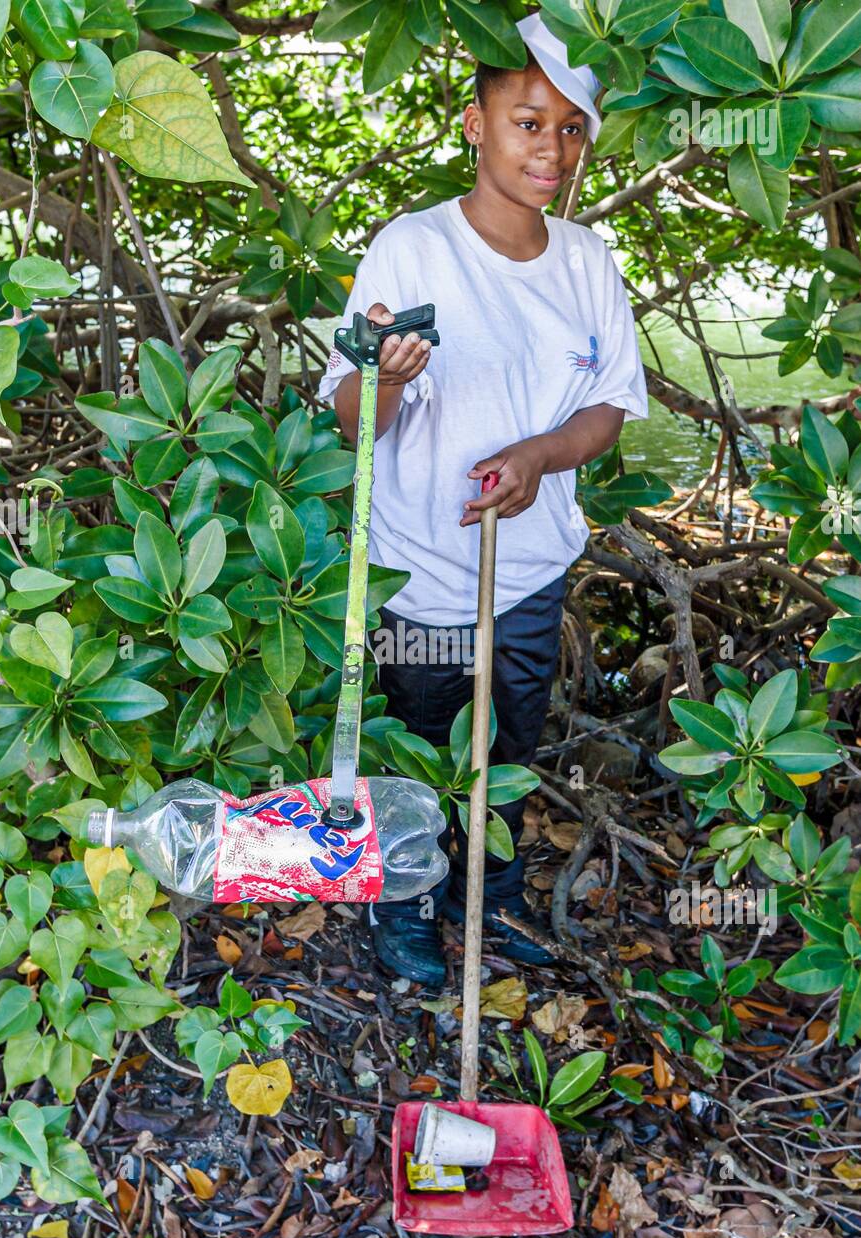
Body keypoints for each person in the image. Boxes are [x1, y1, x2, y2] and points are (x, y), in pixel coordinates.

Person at [318, 14, 648, 986]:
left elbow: (606, 409)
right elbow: (349, 416)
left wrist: (540, 456)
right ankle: (410, 904)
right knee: (422, 746)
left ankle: (488, 896)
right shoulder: (410, 251)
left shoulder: (586, 263)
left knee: (507, 742)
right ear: (473, 122)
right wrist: (381, 375)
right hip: (420, 574)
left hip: (528, 572)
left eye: (569, 128)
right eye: (524, 121)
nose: (549, 148)